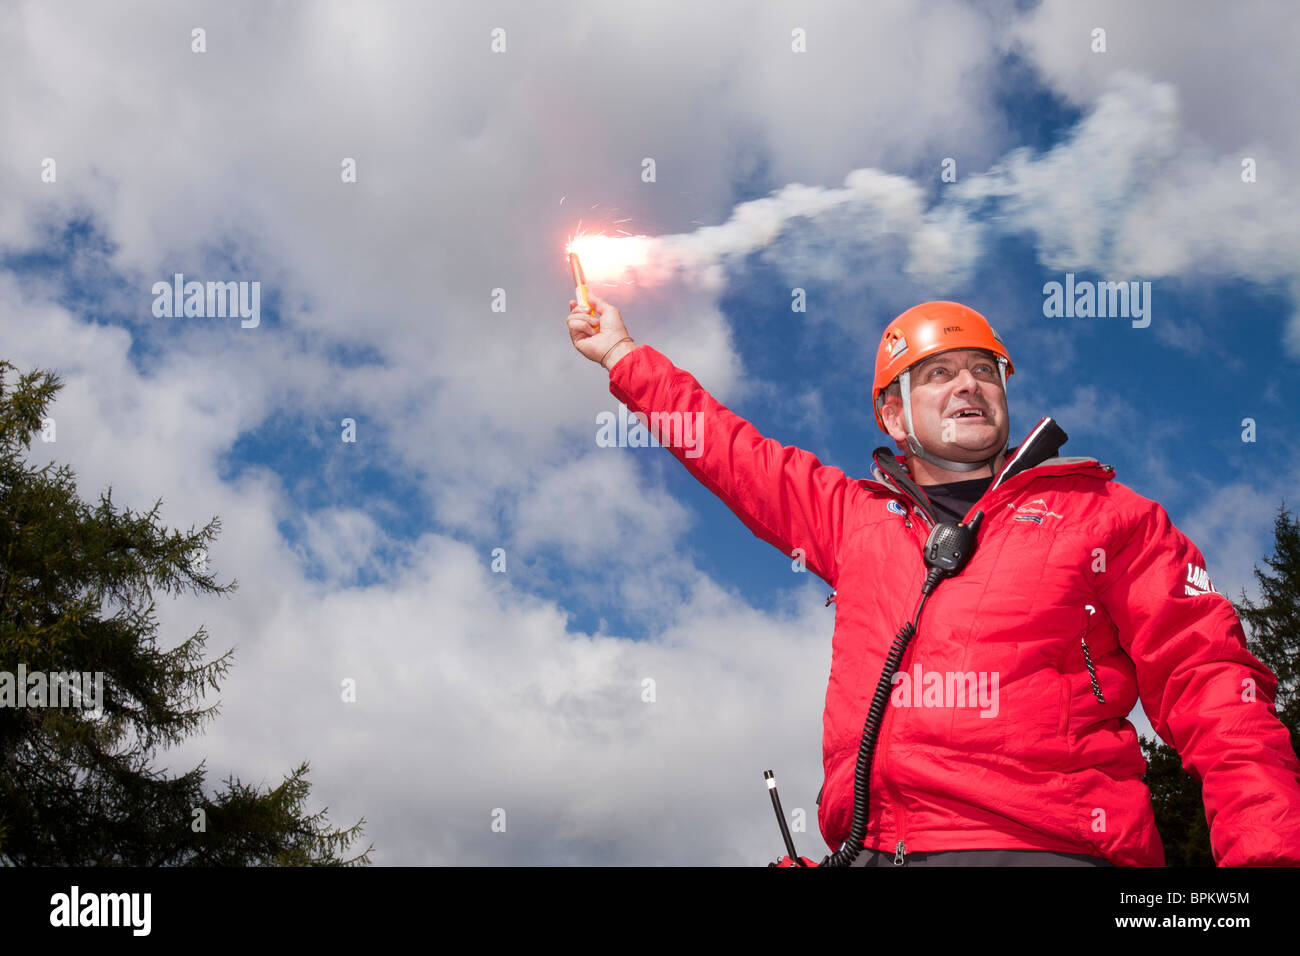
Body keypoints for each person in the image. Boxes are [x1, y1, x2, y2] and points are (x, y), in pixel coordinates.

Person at [566, 295, 1300, 866]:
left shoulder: (1106, 515)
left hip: (1045, 848)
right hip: (871, 848)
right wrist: (623, 354)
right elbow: (730, 450)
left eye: (985, 369)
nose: (968, 386)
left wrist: (1269, 855)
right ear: (893, 411)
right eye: (940, 373)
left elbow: (1213, 682)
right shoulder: (849, 518)